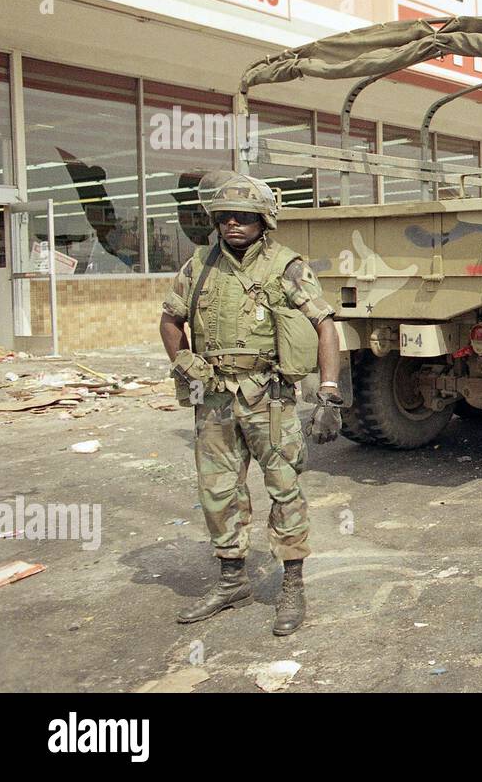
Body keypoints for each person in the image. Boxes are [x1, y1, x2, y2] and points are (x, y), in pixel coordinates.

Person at [159, 171, 344, 635]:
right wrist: (184, 361)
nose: (233, 225)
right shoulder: (199, 264)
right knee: (218, 492)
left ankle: (293, 587)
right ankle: (232, 582)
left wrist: (328, 393)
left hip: (271, 399)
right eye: (224, 218)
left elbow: (324, 325)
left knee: (285, 489)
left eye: (243, 217)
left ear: (264, 221)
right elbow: (169, 319)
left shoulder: (286, 266)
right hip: (215, 399)